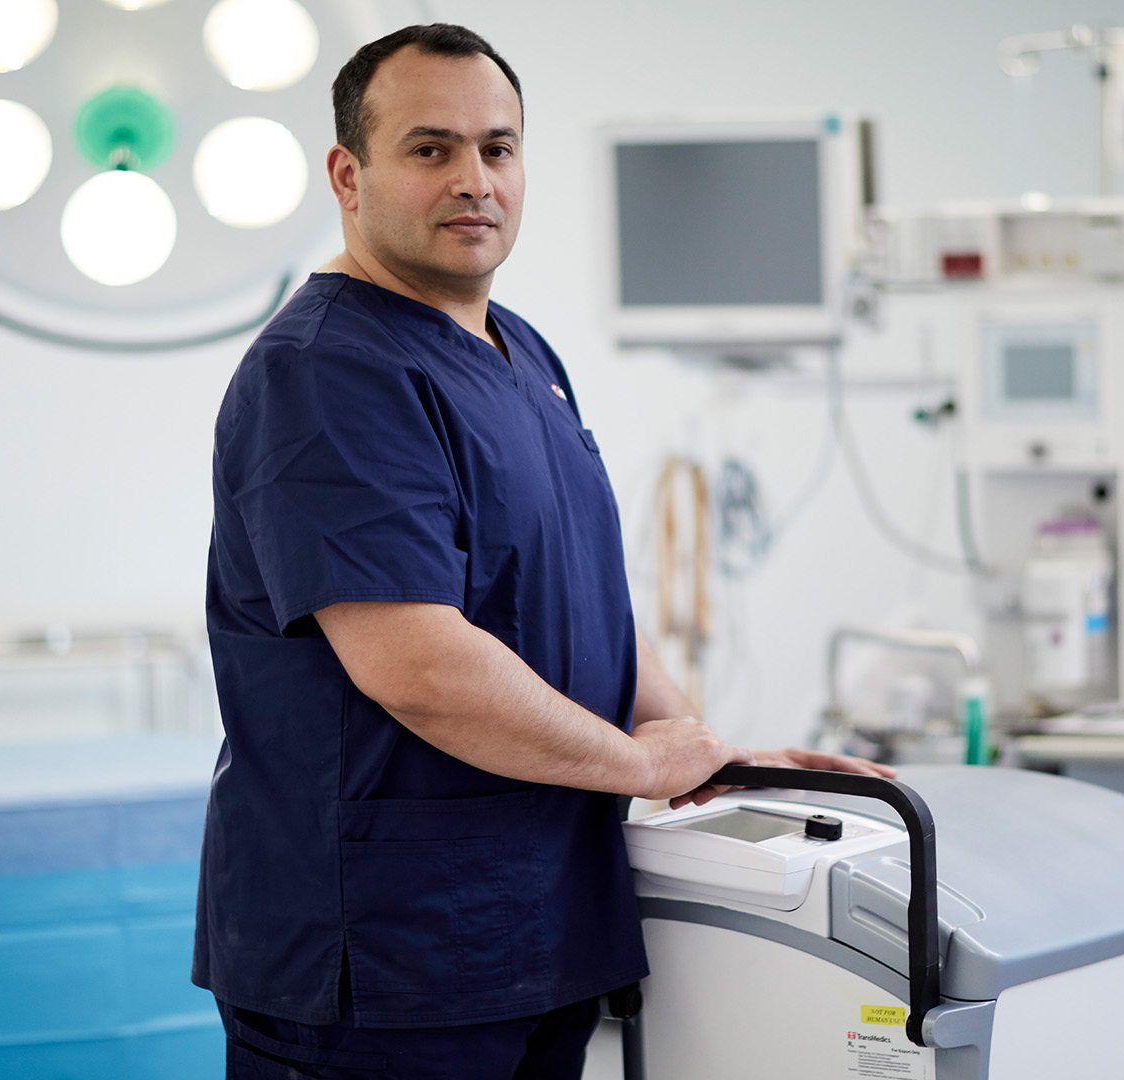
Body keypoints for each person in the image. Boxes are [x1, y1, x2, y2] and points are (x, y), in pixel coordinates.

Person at [192, 23, 891, 1080]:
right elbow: (416, 665)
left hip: (538, 931)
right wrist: (636, 764)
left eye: (499, 148)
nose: (474, 179)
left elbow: (579, 591)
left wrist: (690, 736)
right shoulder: (329, 372)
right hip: (386, 960)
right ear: (348, 173)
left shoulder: (522, 352)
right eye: (431, 149)